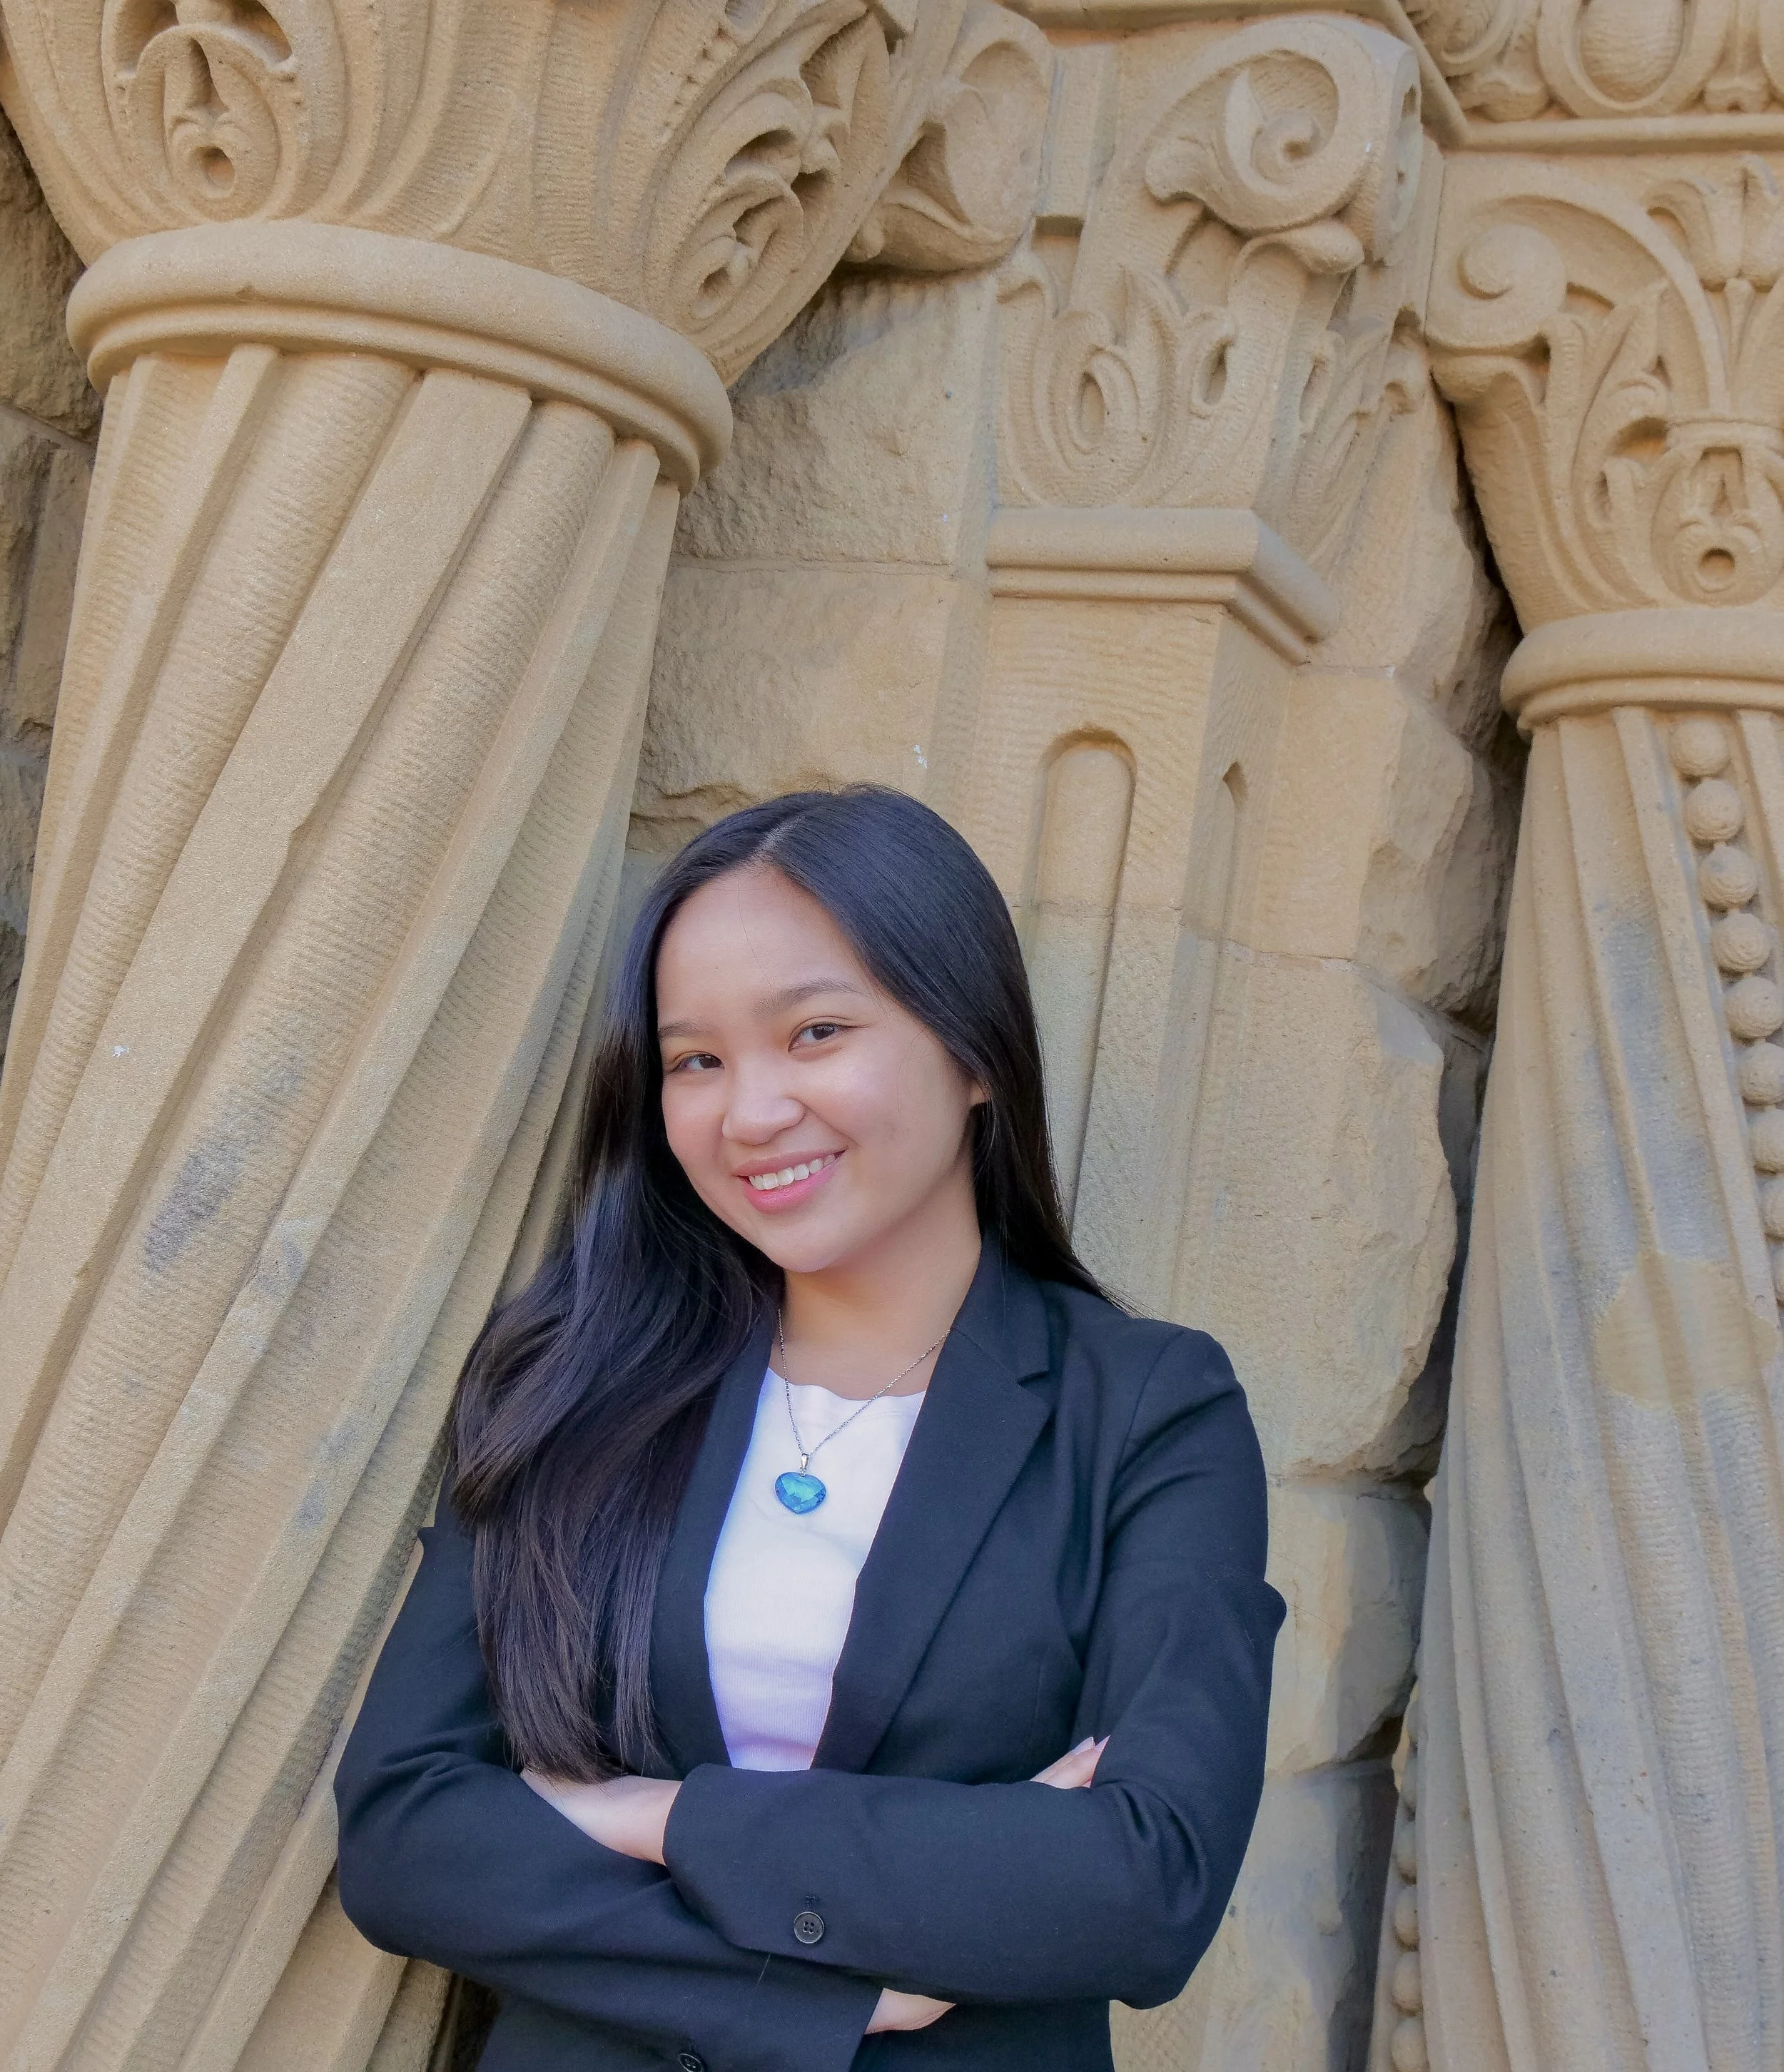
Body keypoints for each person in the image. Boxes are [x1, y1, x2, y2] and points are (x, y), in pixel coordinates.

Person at [335, 786, 1282, 2072]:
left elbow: (1145, 1882)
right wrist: (817, 1985)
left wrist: (658, 1815)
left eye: (816, 1033)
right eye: (696, 1061)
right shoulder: (574, 1381)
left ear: (977, 1053)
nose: (750, 1113)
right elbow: (406, 1837)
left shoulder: (1148, 1409)